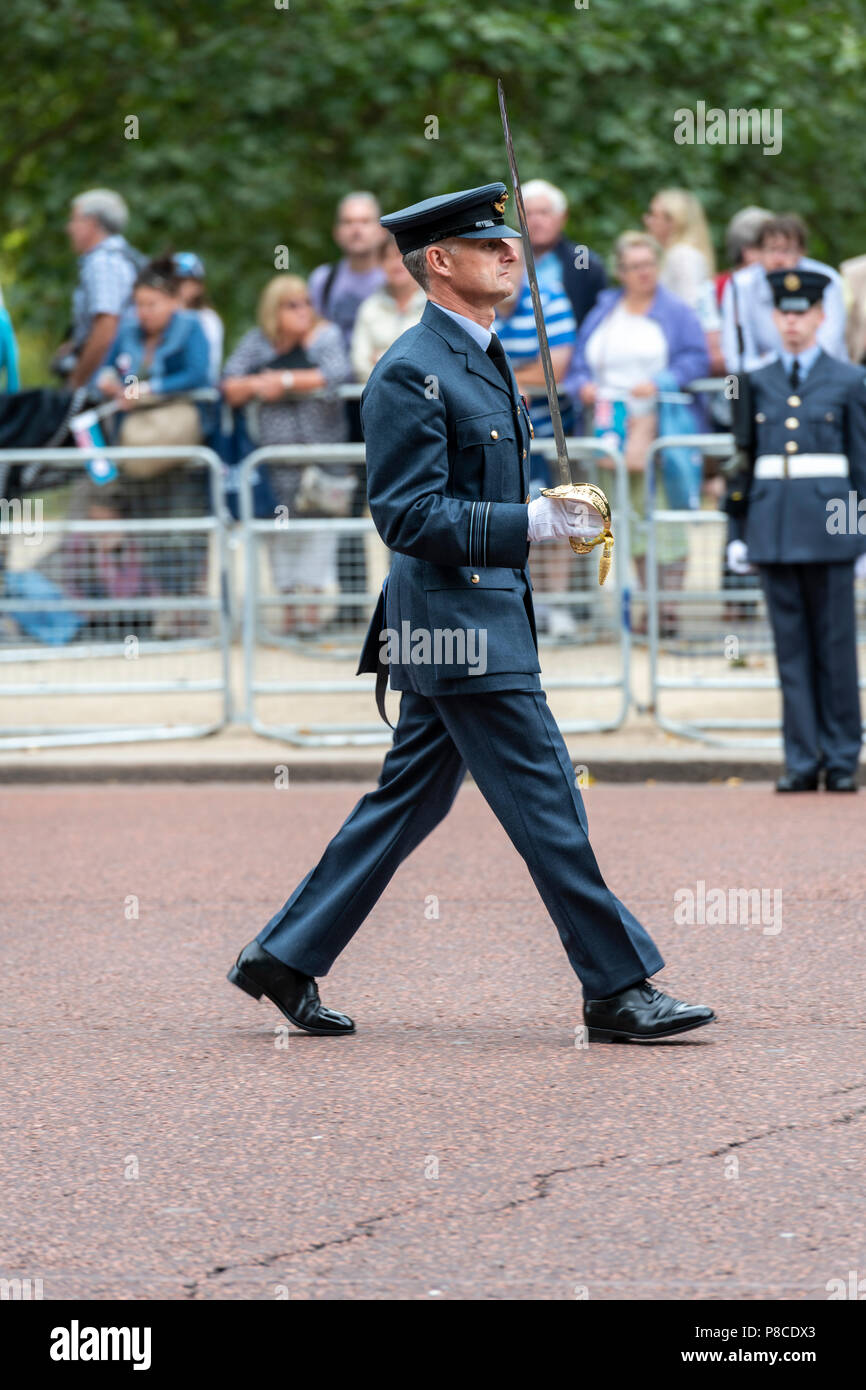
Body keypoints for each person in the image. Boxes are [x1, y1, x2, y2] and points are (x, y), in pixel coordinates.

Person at [227, 181, 716, 1044]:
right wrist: (531, 521)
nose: (509, 250)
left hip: (472, 617)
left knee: (406, 803)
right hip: (457, 624)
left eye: (508, 239)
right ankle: (617, 987)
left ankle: (283, 955)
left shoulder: (483, 356)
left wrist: (542, 511)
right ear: (439, 263)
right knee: (549, 797)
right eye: (488, 243)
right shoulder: (411, 369)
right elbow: (407, 516)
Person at [725, 269, 866, 792]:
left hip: (831, 533)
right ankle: (803, 760)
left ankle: (844, 758)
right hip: (774, 530)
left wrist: (861, 537)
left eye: (801, 312)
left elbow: (861, 467)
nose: (791, 322)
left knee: (835, 649)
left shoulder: (849, 380)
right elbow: (743, 463)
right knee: (791, 653)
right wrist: (736, 533)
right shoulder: (755, 382)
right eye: (783, 313)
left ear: (820, 317)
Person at [563, 231, 710, 634]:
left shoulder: (676, 312)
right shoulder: (604, 310)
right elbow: (578, 366)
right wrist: (583, 388)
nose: (643, 273)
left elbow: (697, 359)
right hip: (609, 429)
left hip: (659, 430)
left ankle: (669, 609)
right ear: (621, 271)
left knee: (665, 514)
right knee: (626, 517)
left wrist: (662, 380)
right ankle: (648, 601)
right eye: (634, 266)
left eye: (649, 264)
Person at [221, 274, 354, 634]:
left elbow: (339, 374)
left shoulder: (324, 338)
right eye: (291, 305)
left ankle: (310, 614)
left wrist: (285, 382)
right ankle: (288, 612)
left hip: (322, 461)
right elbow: (230, 385)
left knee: (318, 535)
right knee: (281, 536)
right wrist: (258, 385)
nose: (302, 311)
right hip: (275, 462)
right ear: (273, 310)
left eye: (306, 303)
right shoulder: (258, 343)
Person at [94, 257, 213, 635]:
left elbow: (198, 373)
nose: (144, 313)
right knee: (149, 531)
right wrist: (110, 381)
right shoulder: (128, 331)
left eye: (152, 304)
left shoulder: (192, 327)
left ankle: (191, 611)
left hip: (180, 454)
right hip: (137, 449)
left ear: (172, 301)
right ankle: (162, 611)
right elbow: (106, 368)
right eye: (139, 304)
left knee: (182, 531)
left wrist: (148, 390)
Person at [493, 241, 579, 638]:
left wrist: (498, 380)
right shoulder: (475, 298)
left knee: (555, 517)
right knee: (503, 520)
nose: (504, 260)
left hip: (545, 435)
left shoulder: (549, 295)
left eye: (511, 253)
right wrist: (521, 376)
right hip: (494, 440)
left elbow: (556, 369)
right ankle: (510, 606)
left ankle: (555, 605)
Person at [721, 213, 848, 374]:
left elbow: (830, 344)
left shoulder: (826, 280)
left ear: (802, 252)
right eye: (772, 250)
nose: (778, 259)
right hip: (762, 380)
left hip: (823, 376)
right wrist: (777, 366)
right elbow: (736, 360)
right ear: (759, 252)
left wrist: (780, 361)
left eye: (786, 251)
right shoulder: (739, 285)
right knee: (734, 389)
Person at [58, 189, 143, 388]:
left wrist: (77, 381)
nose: (69, 228)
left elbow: (106, 327)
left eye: (74, 220)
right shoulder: (123, 255)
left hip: (112, 377)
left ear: (92, 223)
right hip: (128, 371)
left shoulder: (103, 261)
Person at [644, 188, 722, 373]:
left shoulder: (682, 256)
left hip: (681, 356)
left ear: (673, 221)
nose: (648, 221)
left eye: (654, 215)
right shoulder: (680, 254)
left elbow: (690, 310)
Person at [521, 178, 606, 330]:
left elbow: (597, 318)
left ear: (562, 218)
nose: (535, 221)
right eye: (528, 214)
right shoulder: (506, 260)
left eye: (543, 213)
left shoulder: (584, 260)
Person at [350, 233, 426, 383]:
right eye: (387, 257)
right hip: (379, 396)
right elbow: (359, 364)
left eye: (400, 255)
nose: (395, 263)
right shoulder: (369, 307)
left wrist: (380, 358)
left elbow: (436, 359)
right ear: (380, 264)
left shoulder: (433, 303)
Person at [172, 252, 224, 384]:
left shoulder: (208, 319)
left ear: (199, 286)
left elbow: (208, 369)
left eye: (184, 281)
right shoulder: (157, 314)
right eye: (174, 280)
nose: (178, 286)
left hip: (195, 391)